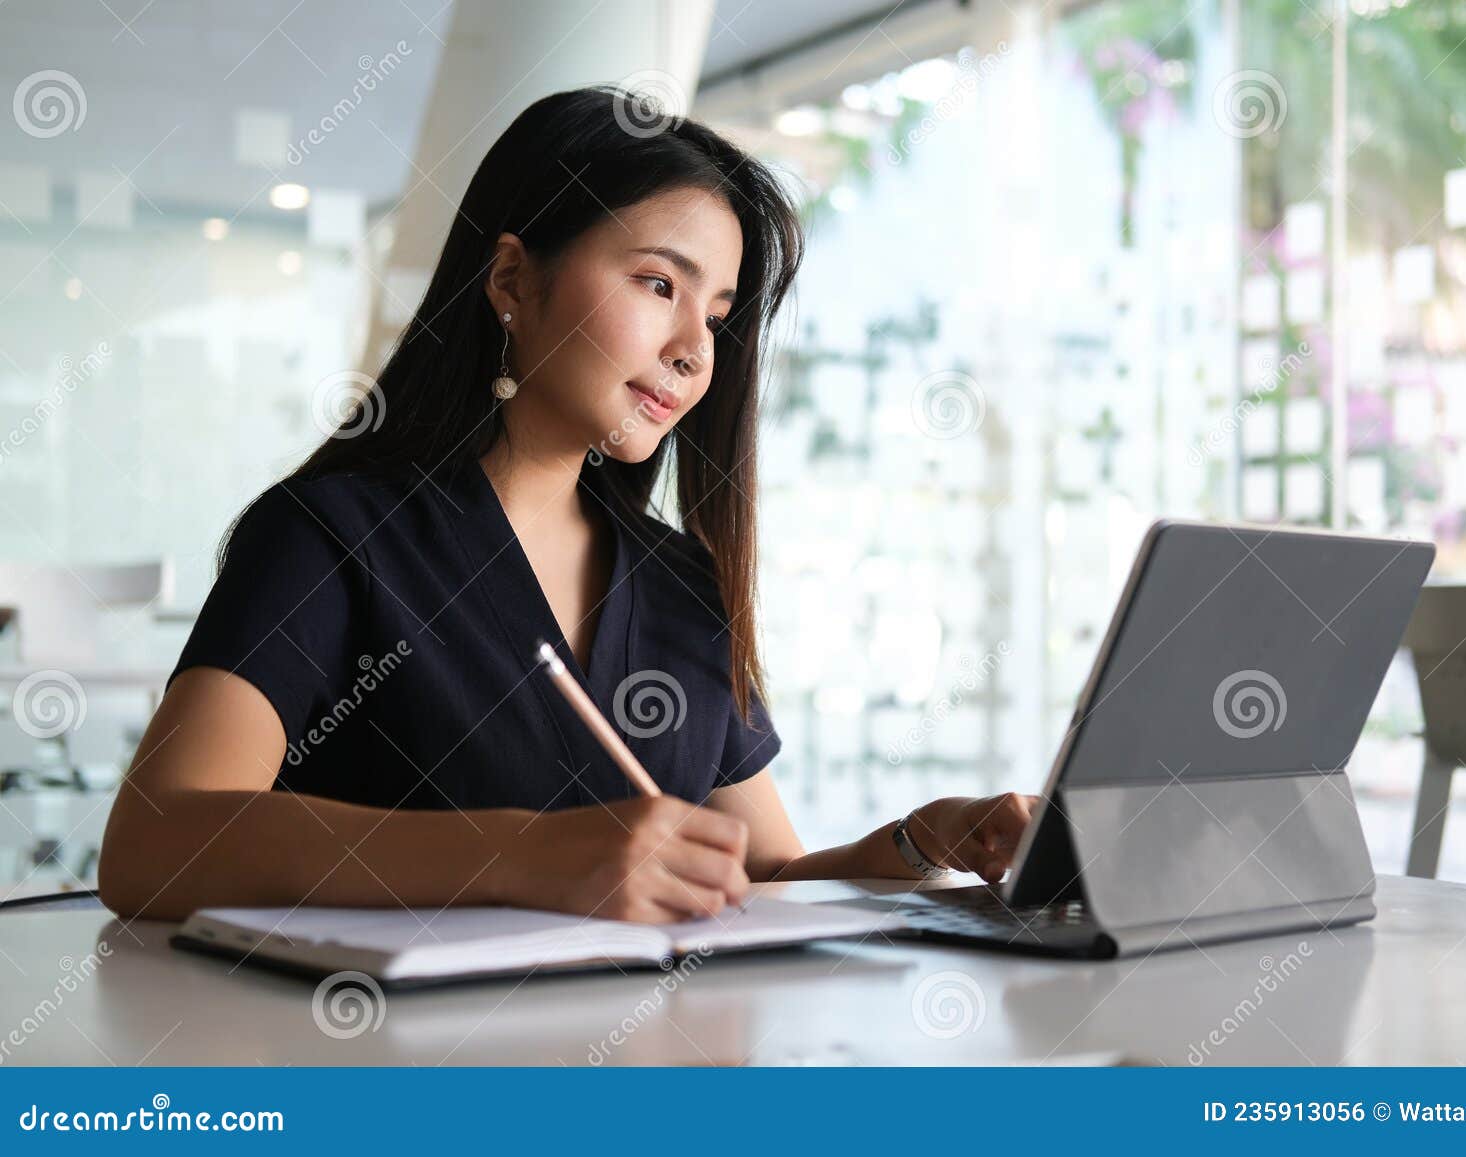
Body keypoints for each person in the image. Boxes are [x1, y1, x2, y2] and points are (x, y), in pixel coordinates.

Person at [100, 86, 1038, 925]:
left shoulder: (682, 583)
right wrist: (522, 855)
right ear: (512, 280)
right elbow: (153, 842)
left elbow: (765, 878)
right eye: (657, 283)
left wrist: (923, 843)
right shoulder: (334, 537)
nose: (693, 350)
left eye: (714, 317)